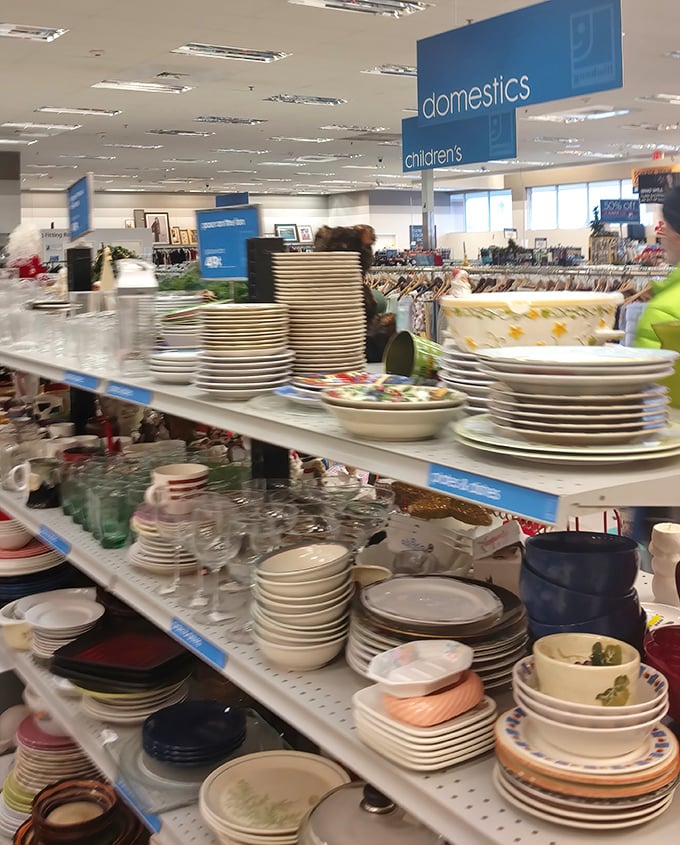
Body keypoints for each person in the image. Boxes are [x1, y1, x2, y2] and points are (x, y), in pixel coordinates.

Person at [635, 187, 680, 347]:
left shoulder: (663, 313)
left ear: (676, 234)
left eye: (665, 225)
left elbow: (646, 371)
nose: (663, 235)